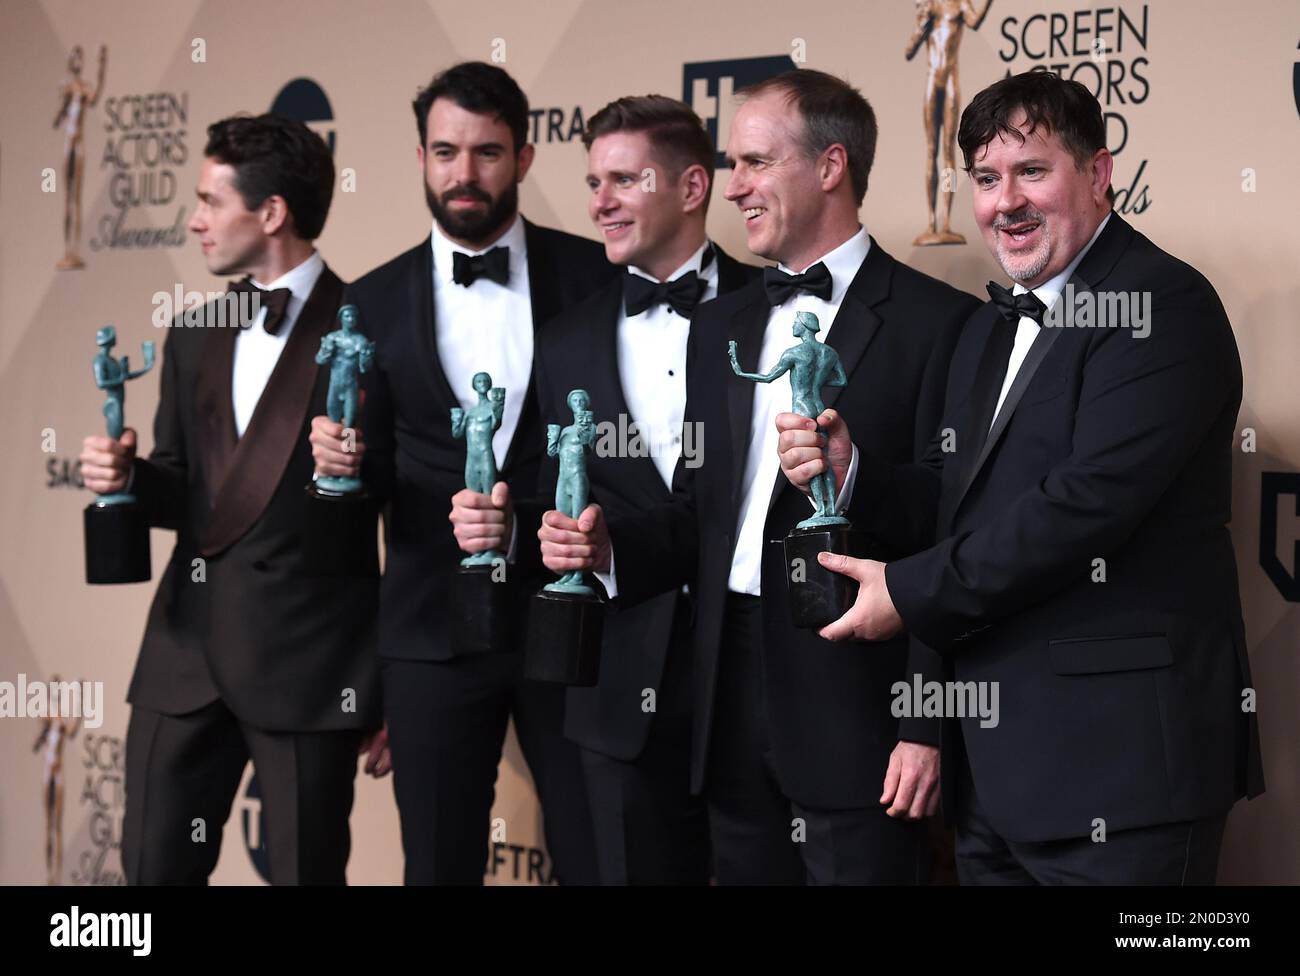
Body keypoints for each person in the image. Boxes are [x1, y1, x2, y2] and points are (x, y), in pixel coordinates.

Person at [802, 69, 1265, 884]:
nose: (1004, 202)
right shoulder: (987, 329)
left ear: (1098, 172)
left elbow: (1084, 509)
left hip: (1127, 779)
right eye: (985, 179)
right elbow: (956, 505)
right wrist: (857, 475)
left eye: (1031, 171)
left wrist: (905, 593)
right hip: (993, 784)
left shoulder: (1163, 304)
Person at [547, 70, 979, 883]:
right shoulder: (723, 325)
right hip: (725, 696)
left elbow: (952, 532)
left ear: (830, 167)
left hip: (858, 703)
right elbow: (695, 515)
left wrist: (925, 723)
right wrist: (606, 550)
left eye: (754, 163)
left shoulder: (941, 323)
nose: (734, 186)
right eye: (732, 164)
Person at [310, 62, 614, 885]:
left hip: (574, 624)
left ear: (523, 158)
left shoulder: (596, 278)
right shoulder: (365, 305)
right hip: (429, 638)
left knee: (598, 859)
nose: (464, 174)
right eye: (445, 151)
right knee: (437, 867)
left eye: (486, 152)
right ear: (419, 157)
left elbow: (626, 451)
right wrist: (335, 468)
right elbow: (358, 492)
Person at [80, 113, 389, 884]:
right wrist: (127, 477)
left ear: (272, 213)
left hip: (311, 667)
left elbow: (409, 517)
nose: (193, 221)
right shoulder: (195, 332)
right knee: (148, 879)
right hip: (182, 658)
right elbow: (186, 487)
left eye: (210, 202)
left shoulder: (374, 329)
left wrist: (388, 685)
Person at [535, 94, 759, 883]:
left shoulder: (775, 311)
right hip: (616, 684)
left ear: (694, 188)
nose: (599, 202)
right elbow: (546, 499)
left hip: (752, 690)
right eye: (595, 181)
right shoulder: (563, 343)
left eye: (625, 180)